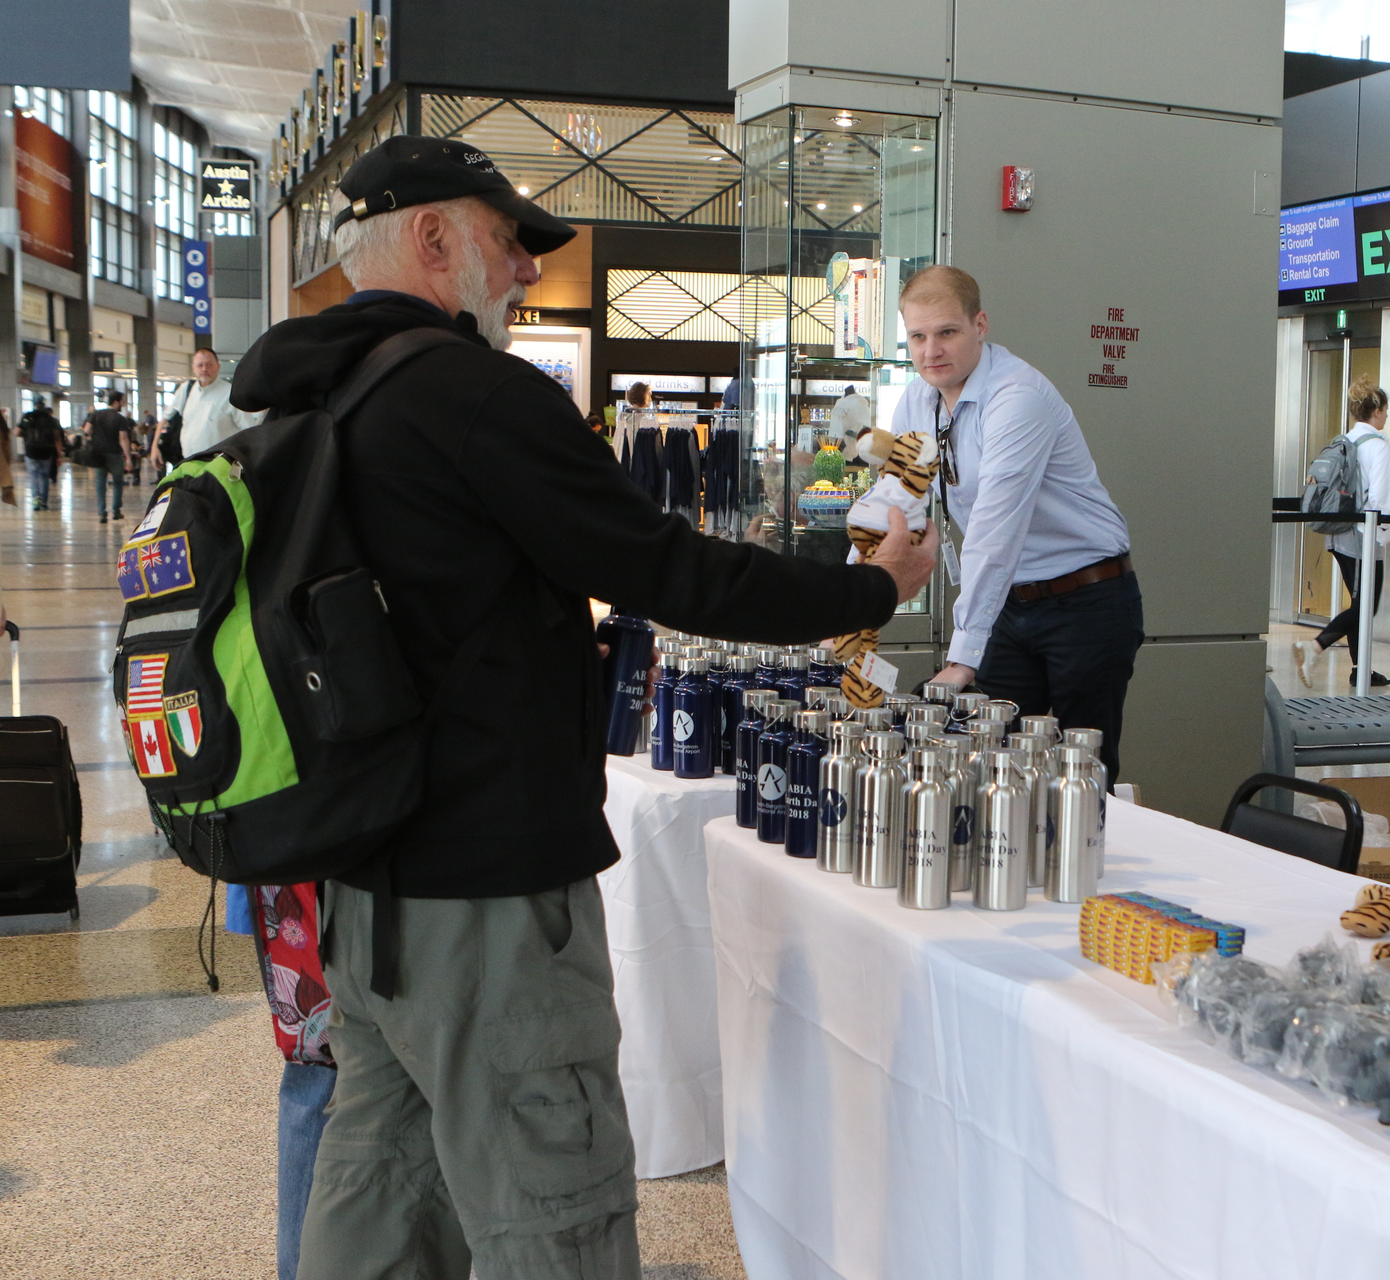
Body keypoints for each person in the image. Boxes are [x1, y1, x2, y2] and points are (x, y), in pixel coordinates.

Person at [229, 134, 935, 1280]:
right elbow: (670, 567)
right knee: (553, 1214)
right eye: (510, 244)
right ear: (433, 234)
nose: (525, 273)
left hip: (365, 896)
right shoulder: (473, 397)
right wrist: (868, 584)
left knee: (378, 1208)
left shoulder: (310, 398)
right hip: (492, 905)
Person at [903, 265, 1141, 782]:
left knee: (1081, 769)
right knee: (992, 763)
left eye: (947, 332)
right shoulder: (917, 400)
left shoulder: (1017, 396)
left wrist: (963, 657)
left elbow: (994, 530)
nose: (931, 351)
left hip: (1088, 599)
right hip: (1012, 604)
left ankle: (1083, 858)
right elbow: (893, 502)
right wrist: (852, 610)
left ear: (980, 326)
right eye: (917, 337)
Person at [1294, 378, 1390, 688]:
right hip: (1363, 537)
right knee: (1366, 605)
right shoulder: (1378, 447)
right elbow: (1380, 498)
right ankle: (1314, 647)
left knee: (1358, 601)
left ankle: (1359, 669)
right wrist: (1381, 534)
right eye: (1386, 410)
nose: (1387, 415)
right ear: (1376, 411)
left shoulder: (1344, 441)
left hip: (1338, 535)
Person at [154, 347, 259, 467]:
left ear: (218, 367)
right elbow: (165, 418)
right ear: (193, 368)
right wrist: (154, 447)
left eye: (209, 365)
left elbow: (250, 430)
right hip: (188, 464)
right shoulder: (186, 390)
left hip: (220, 466)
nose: (204, 369)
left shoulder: (230, 394)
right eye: (200, 365)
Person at [82, 390, 133, 524]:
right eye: (122, 400)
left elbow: (86, 430)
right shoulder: (120, 418)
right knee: (117, 483)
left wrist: (94, 436)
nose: (124, 403)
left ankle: (102, 513)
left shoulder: (96, 414)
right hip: (114, 454)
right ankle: (116, 511)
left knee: (100, 484)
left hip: (98, 455)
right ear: (116, 402)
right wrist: (128, 458)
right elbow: (123, 438)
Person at [18, 397, 61, 511]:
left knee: (34, 475)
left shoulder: (27, 416)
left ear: (34, 404)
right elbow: (57, 438)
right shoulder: (50, 419)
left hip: (31, 450)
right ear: (44, 405)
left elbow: (17, 432)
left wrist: (25, 435)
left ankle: (36, 499)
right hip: (46, 452)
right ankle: (44, 501)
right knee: (44, 476)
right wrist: (59, 455)